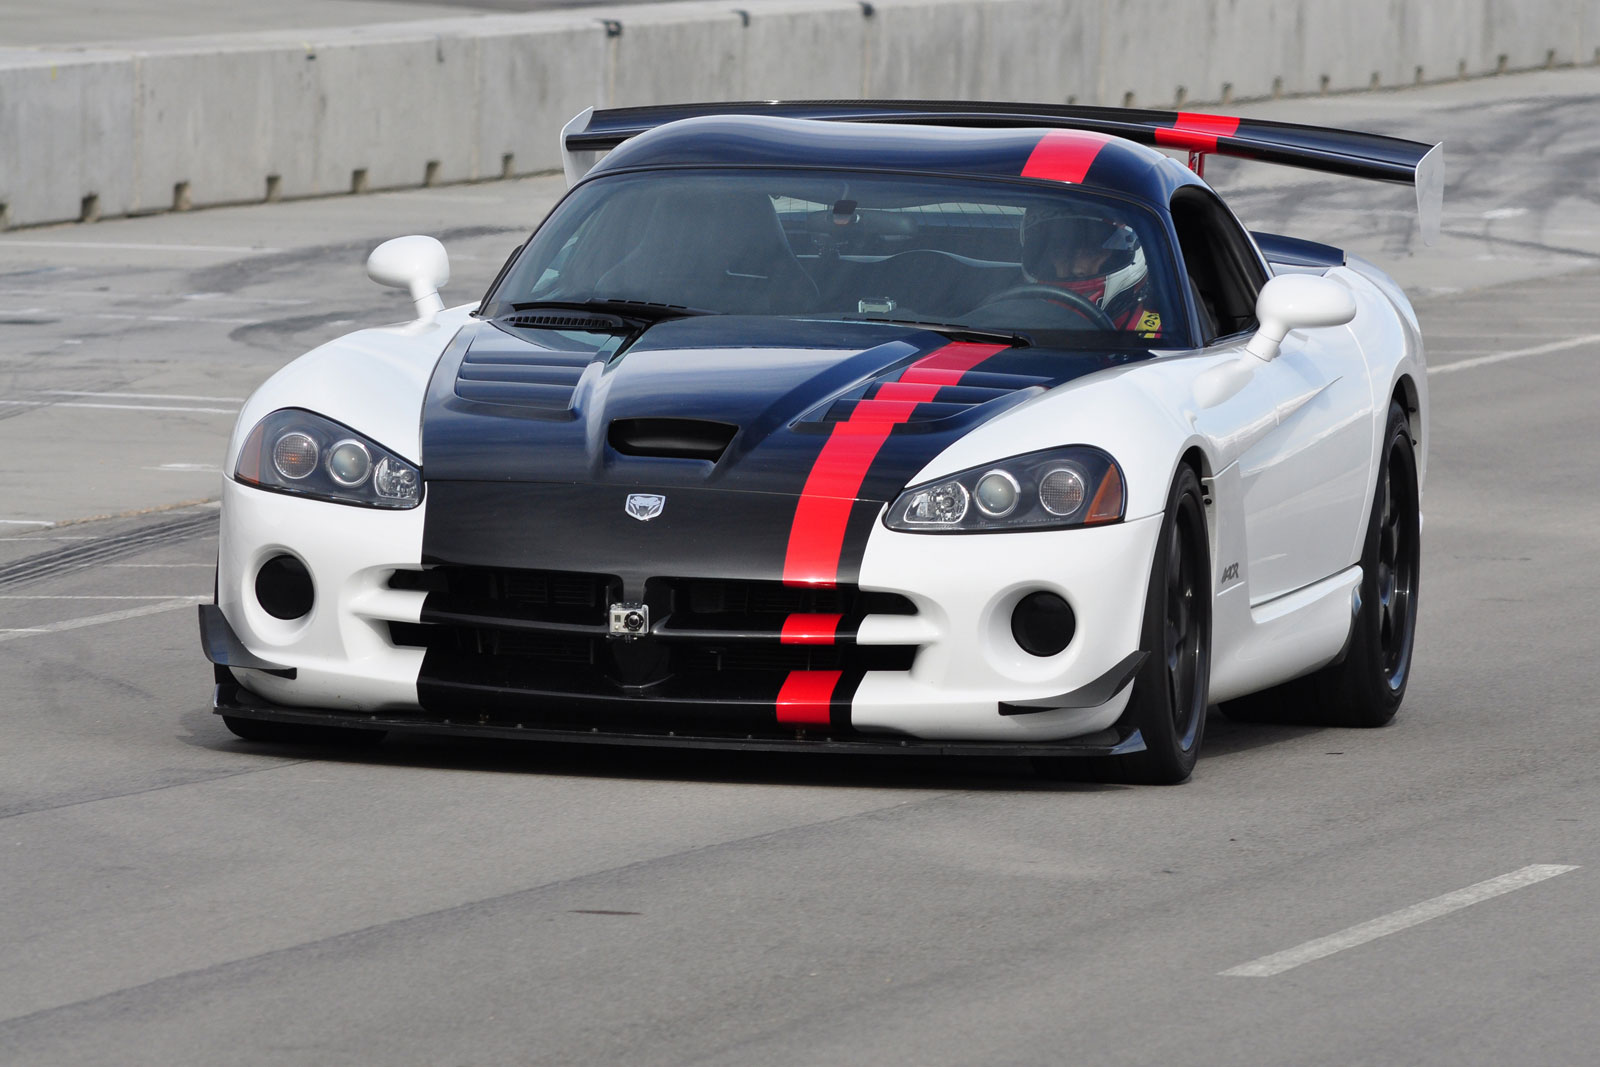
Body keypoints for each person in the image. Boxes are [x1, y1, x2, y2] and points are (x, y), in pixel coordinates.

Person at [1019, 205, 1163, 336]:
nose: (1076, 269)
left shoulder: (1157, 340)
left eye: (1092, 252)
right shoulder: (1010, 322)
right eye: (1059, 251)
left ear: (1120, 255)